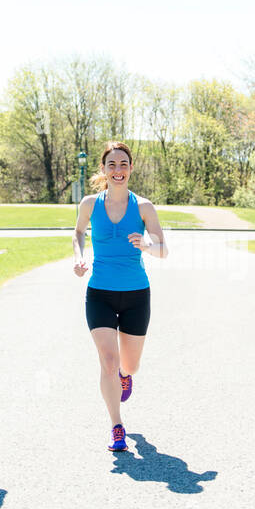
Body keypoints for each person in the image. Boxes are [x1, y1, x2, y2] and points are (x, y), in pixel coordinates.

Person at [72, 141, 168, 452]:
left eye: (123, 164)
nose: (118, 170)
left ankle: (126, 375)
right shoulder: (90, 204)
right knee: (108, 360)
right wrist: (79, 256)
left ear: (130, 168)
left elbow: (163, 249)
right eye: (111, 165)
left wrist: (147, 246)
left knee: (130, 365)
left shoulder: (144, 207)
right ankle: (116, 425)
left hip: (136, 295)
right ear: (103, 169)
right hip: (99, 292)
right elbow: (78, 233)